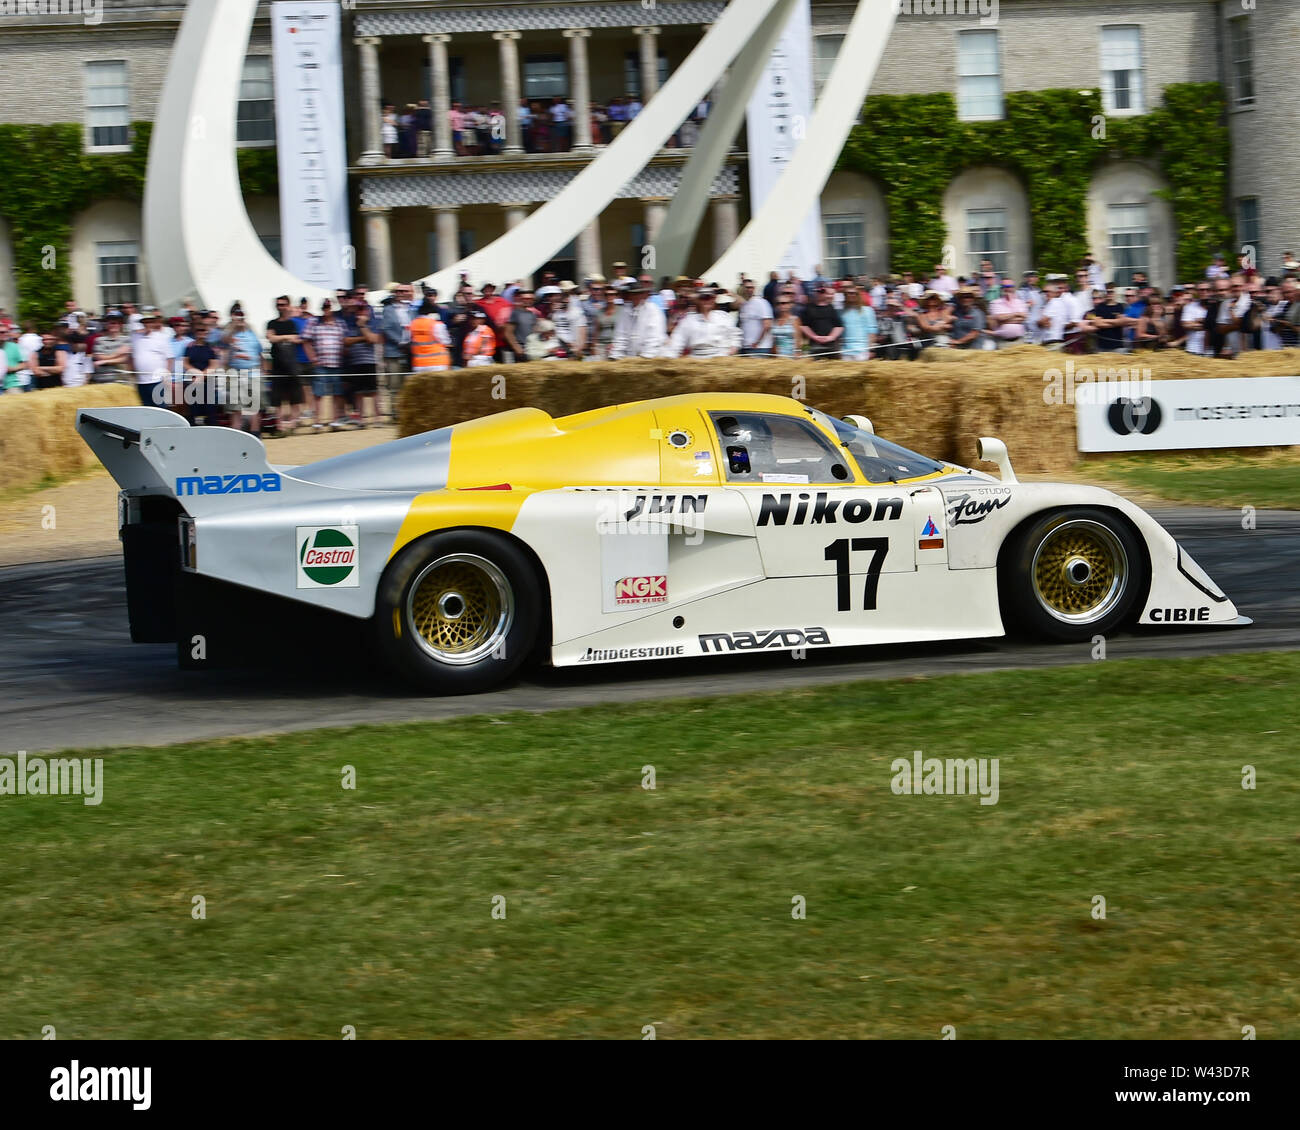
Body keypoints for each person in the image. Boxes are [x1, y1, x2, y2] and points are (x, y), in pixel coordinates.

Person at [304, 300, 347, 428]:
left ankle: (335, 419)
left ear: (333, 308)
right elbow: (306, 341)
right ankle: (318, 420)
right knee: (318, 393)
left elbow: (345, 340)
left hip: (337, 363)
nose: (326, 309)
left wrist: (343, 354)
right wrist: (313, 358)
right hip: (320, 364)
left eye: (328, 307)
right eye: (324, 307)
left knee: (337, 393)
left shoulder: (340, 323)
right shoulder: (313, 322)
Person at [342, 293, 381, 426]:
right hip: (355, 361)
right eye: (358, 310)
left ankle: (377, 418)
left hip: (369, 360)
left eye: (362, 310)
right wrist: (363, 337)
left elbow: (373, 339)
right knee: (358, 392)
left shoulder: (372, 323)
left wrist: (362, 326)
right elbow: (346, 341)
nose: (360, 312)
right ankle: (362, 419)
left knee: (373, 391)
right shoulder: (350, 323)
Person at [667, 288, 741, 358]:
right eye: (704, 298)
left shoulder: (724, 317)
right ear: (698, 300)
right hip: (697, 359)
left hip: (721, 358)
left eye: (710, 297)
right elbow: (677, 341)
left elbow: (735, 334)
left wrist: (733, 347)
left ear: (714, 299)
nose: (707, 301)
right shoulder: (689, 320)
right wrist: (670, 356)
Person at [609, 282, 668, 359]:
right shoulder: (625, 311)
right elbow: (620, 336)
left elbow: (654, 337)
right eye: (633, 294)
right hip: (632, 358)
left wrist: (646, 357)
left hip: (653, 357)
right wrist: (615, 356)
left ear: (643, 295)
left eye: (638, 293)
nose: (636, 296)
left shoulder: (653, 309)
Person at [130, 311, 172, 404]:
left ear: (154, 323)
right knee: (146, 408)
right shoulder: (135, 337)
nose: (148, 324)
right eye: (145, 322)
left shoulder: (162, 337)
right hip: (141, 381)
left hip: (157, 380)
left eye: (150, 321)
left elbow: (169, 358)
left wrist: (166, 376)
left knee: (160, 407)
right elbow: (132, 356)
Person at [409, 300, 452, 372]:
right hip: (438, 364)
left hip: (419, 365)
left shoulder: (412, 324)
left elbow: (406, 341)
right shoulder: (436, 324)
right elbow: (446, 341)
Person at [839, 284, 877, 360]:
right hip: (845, 351)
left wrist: (870, 349)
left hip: (862, 351)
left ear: (858, 295)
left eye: (853, 293)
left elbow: (872, 331)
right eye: (848, 293)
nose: (850, 295)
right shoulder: (840, 312)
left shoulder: (868, 310)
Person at [737, 279, 773, 355]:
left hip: (760, 348)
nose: (749, 290)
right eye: (746, 287)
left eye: (751, 287)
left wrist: (757, 342)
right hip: (745, 347)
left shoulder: (761, 302)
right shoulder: (743, 305)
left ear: (754, 288)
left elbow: (767, 325)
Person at [988, 279, 1029, 346]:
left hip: (1019, 341)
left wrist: (1004, 320)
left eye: (1010, 286)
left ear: (1013, 288)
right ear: (1001, 288)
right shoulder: (995, 303)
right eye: (1005, 286)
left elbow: (1023, 318)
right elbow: (999, 318)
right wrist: (1016, 314)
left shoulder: (1020, 302)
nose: (1008, 288)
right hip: (1002, 342)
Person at [769, 293, 803, 357]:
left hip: (791, 356)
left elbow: (798, 338)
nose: (782, 305)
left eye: (784, 303)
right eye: (779, 303)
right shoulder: (775, 321)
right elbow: (774, 341)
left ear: (790, 305)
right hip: (778, 357)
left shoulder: (795, 320)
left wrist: (798, 351)